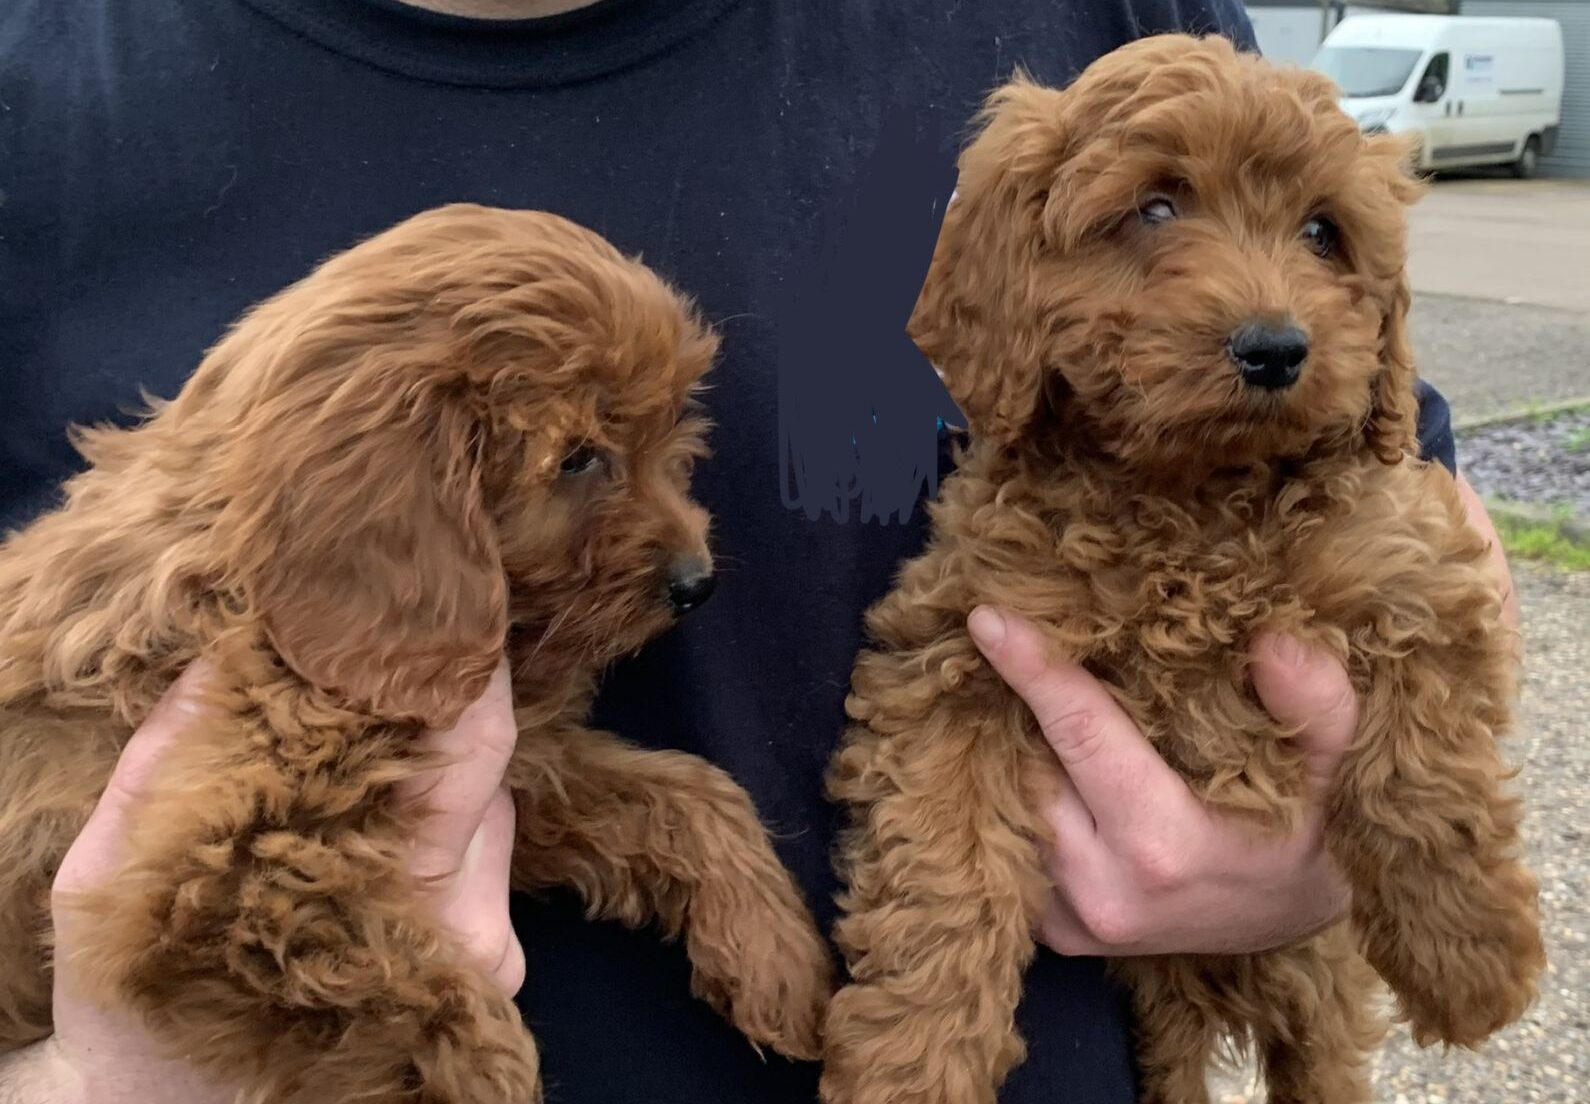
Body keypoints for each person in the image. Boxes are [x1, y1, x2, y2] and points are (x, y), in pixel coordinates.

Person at [0, 1, 1516, 1101]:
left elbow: (1409, 508)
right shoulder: (38, 84)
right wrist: (79, 1082)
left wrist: (1341, 834)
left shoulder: (1094, 18)